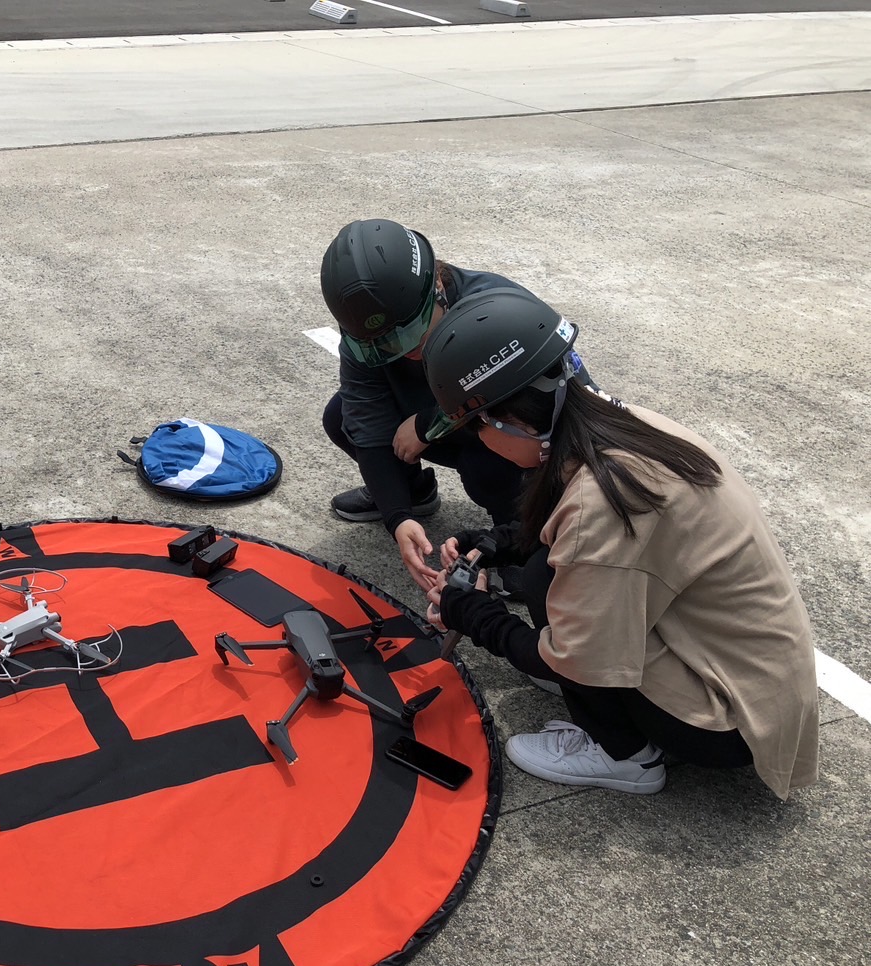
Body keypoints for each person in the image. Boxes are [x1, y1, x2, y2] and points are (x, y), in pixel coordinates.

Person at [420, 287, 818, 798]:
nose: (478, 441)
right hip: (756, 674)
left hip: (732, 722)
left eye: (476, 428)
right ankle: (617, 712)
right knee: (547, 571)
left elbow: (576, 654)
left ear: (511, 421)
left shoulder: (604, 503)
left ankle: (624, 756)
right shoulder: (621, 426)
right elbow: (579, 537)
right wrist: (500, 541)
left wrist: (470, 613)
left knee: (553, 593)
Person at [319, 219, 593, 594]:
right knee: (341, 416)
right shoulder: (365, 342)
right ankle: (414, 494)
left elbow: (558, 415)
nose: (402, 351)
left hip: (508, 431)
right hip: (456, 413)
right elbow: (366, 420)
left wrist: (428, 425)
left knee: (488, 463)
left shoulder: (497, 312)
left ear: (438, 288)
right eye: (381, 346)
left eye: (410, 334)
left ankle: (523, 537)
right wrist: (397, 516)